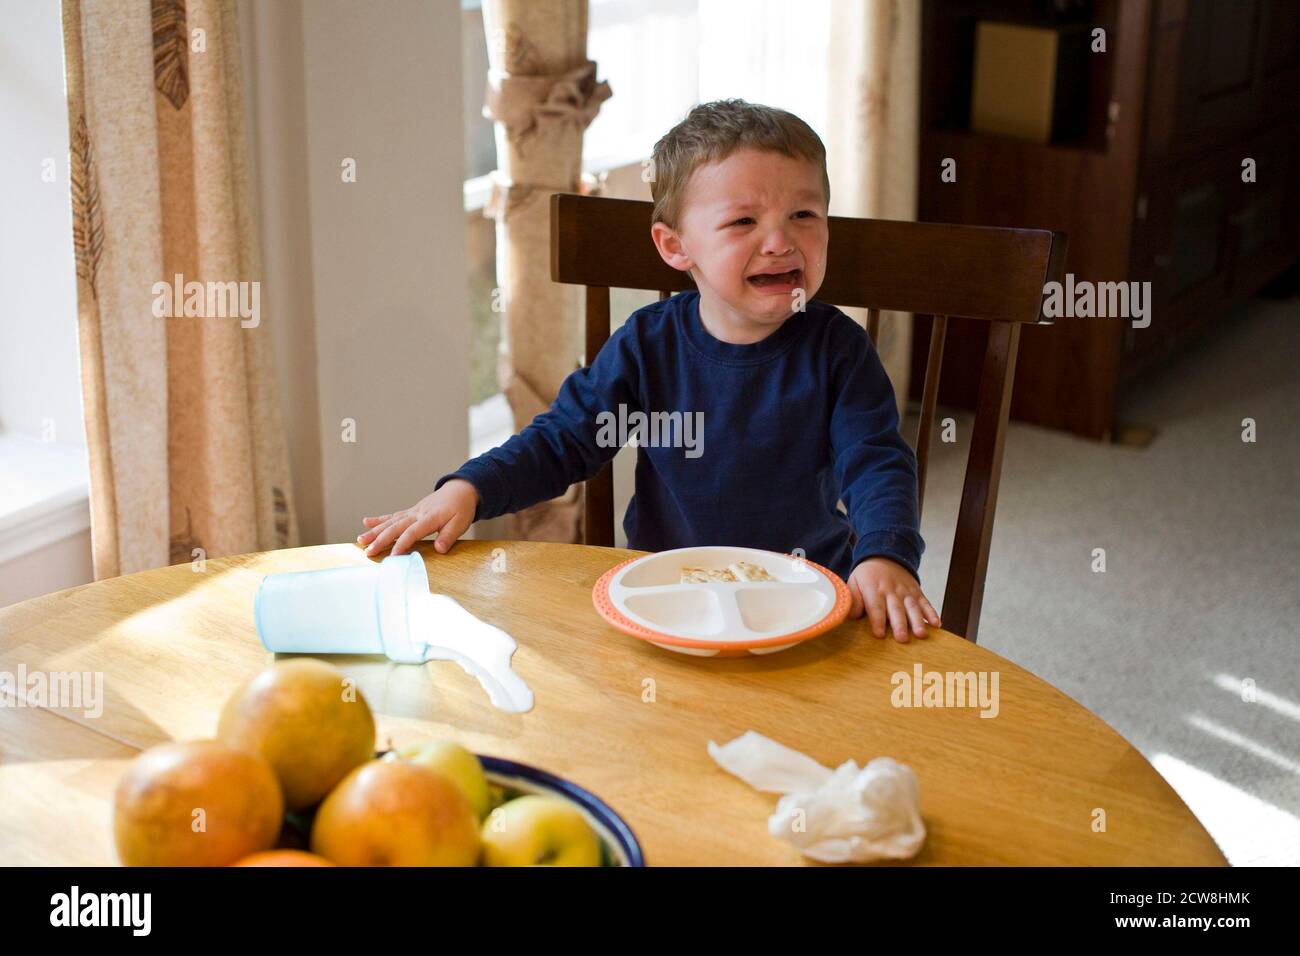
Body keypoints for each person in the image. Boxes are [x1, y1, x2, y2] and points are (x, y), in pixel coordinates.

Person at [359, 99, 941, 643]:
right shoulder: (646, 346)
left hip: (805, 592)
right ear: (674, 246)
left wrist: (883, 552)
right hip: (665, 594)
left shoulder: (839, 349)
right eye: (743, 221)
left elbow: (875, 461)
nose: (780, 241)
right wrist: (470, 487)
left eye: (804, 214)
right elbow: (564, 440)